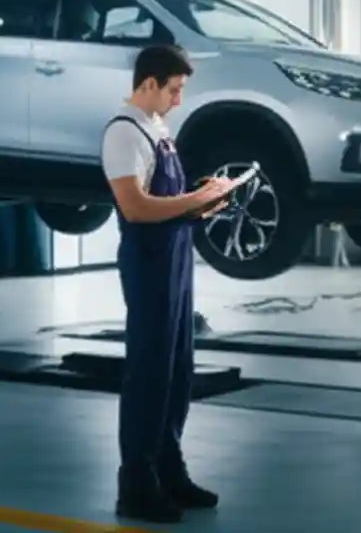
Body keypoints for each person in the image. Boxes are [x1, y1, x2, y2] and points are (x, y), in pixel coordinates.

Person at [101, 43, 228, 524]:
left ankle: (169, 470)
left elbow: (168, 200)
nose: (178, 99)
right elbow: (134, 207)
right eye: (173, 90)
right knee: (149, 373)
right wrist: (191, 199)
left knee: (178, 372)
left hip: (177, 258)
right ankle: (135, 484)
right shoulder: (123, 133)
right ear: (148, 83)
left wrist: (205, 201)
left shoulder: (159, 130)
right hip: (149, 263)